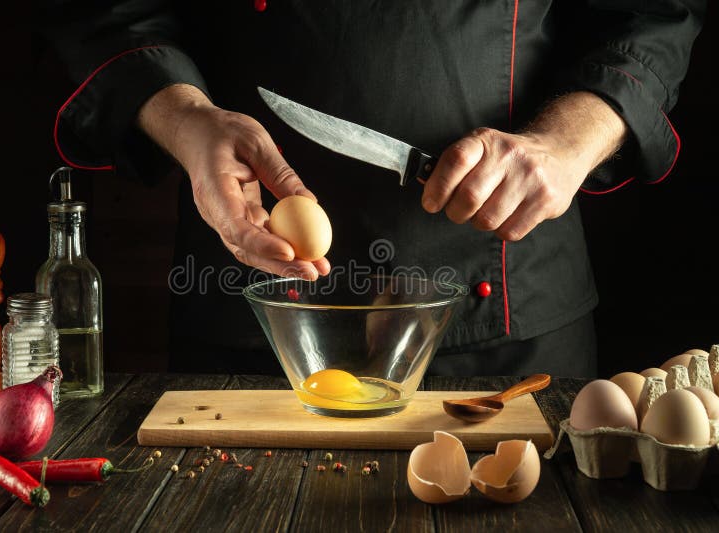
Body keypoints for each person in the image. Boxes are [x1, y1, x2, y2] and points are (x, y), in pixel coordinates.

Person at [39, 1, 705, 376]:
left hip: (506, 319)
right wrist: (187, 120)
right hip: (253, 316)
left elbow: (652, 15)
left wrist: (568, 141)